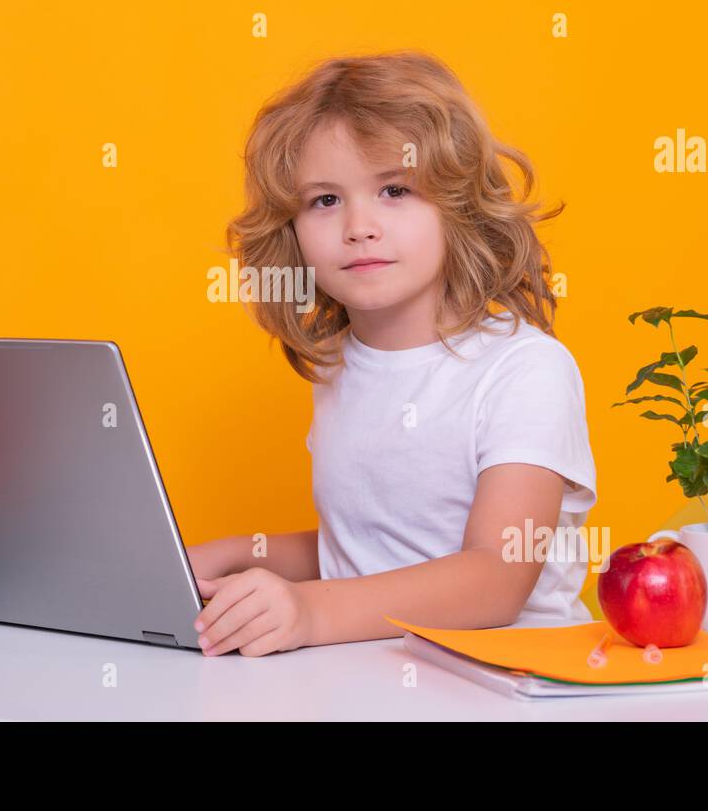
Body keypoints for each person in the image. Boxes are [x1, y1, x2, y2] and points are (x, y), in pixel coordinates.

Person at [188, 50, 596, 656]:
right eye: (325, 200)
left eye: (395, 189)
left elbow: (497, 577)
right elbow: (371, 544)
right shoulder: (338, 366)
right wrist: (231, 554)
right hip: (373, 675)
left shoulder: (524, 370)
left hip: (512, 681)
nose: (359, 225)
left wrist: (309, 612)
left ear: (457, 205)